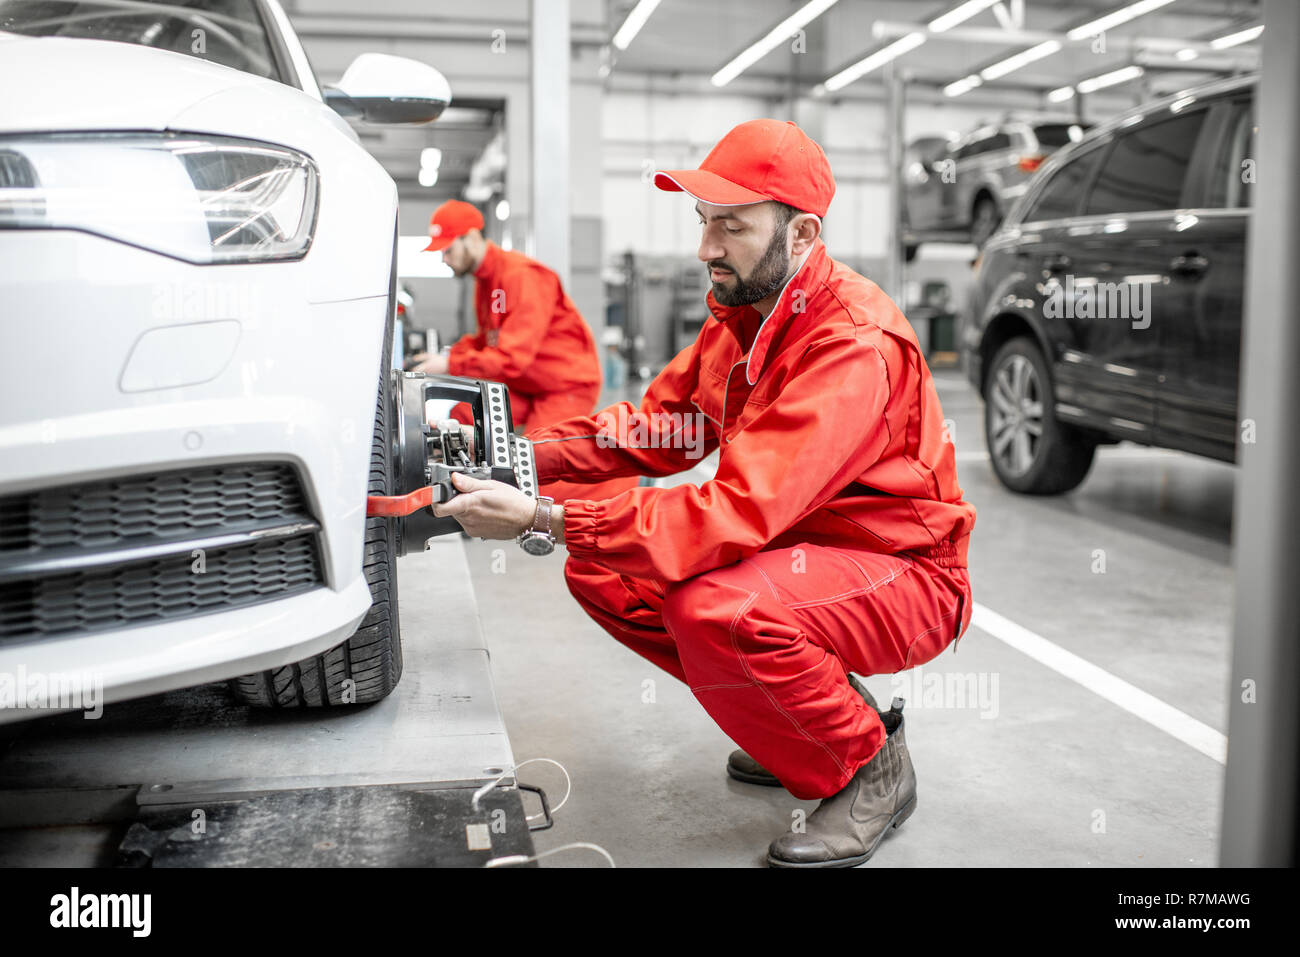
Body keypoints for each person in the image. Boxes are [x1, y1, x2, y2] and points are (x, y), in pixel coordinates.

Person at [431, 120, 977, 868]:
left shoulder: (851, 343)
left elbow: (734, 511)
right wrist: (515, 455)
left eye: (732, 225)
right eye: (702, 221)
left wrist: (544, 516)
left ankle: (866, 764)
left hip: (903, 571)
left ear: (804, 231)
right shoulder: (743, 319)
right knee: (604, 571)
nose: (705, 248)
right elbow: (655, 430)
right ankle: (798, 726)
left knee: (715, 608)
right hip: (806, 553)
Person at [415, 199, 636, 503]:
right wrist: (449, 355)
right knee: (464, 415)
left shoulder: (521, 276)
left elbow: (511, 360)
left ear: (471, 238)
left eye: (448, 249)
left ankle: (628, 479)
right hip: (527, 383)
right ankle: (466, 491)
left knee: (538, 475)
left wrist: (450, 363)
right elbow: (490, 340)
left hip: (563, 385)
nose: (444, 259)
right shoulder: (486, 281)